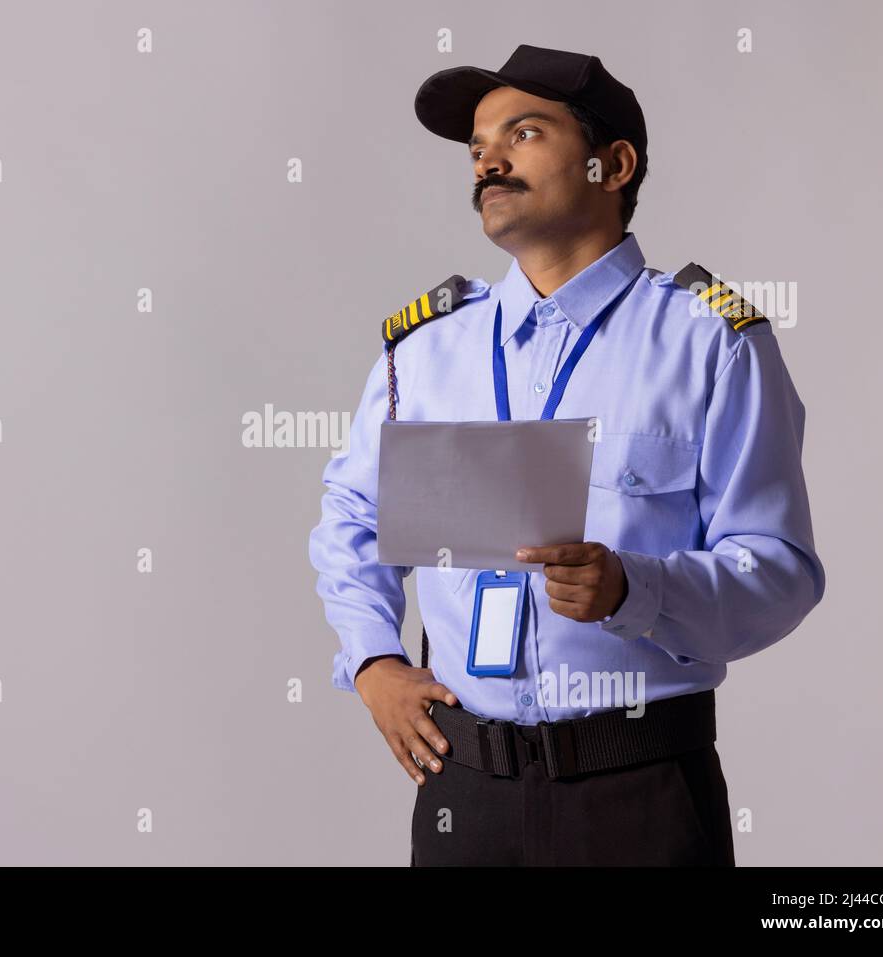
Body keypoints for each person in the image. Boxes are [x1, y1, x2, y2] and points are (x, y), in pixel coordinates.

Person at [307, 44, 825, 866]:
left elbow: (781, 570)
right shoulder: (427, 350)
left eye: (524, 133)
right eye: (478, 148)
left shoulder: (710, 343)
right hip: (464, 791)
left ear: (611, 163)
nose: (489, 162)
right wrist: (372, 660)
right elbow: (352, 516)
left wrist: (636, 586)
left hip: (643, 791)